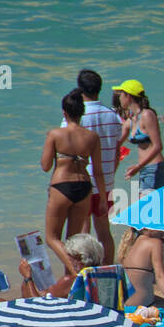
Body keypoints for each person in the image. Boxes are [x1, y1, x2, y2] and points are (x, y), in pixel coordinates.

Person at [41, 89, 104, 272]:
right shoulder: (92, 137)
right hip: (84, 187)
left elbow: (45, 166)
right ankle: (72, 282)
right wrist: (101, 201)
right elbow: (98, 172)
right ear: (82, 112)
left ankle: (77, 272)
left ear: (64, 112)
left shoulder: (54, 134)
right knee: (73, 243)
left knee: (52, 238)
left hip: (62, 186)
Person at [73, 70, 123, 262]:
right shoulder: (112, 116)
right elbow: (117, 151)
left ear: (80, 89)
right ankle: (108, 268)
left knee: (83, 231)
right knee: (104, 231)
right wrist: (110, 174)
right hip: (106, 182)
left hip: (82, 182)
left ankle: (85, 273)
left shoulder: (78, 116)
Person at [114, 80, 164, 193]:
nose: (119, 98)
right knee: (148, 208)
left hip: (156, 169)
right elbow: (117, 142)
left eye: (121, 95)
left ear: (128, 96)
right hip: (144, 170)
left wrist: (138, 166)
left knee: (145, 208)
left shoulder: (147, 114)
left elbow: (158, 146)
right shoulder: (132, 119)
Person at [117, 226, 164, 316]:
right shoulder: (155, 243)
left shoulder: (133, 241)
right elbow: (160, 277)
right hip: (143, 307)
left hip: (125, 305)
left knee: (162, 299)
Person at [19, 231, 99, 299]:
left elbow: (39, 305)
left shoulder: (70, 281)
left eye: (69, 256)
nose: (68, 259)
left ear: (79, 259)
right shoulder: (102, 274)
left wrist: (27, 277)